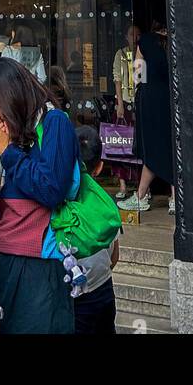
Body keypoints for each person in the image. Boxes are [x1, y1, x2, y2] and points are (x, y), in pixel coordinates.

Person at [0, 55, 80, 335]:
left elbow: (51, 190)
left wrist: (7, 152)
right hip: (0, 255)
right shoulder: (12, 133)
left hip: (38, 264)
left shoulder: (55, 123)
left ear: (10, 96)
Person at [72, 126, 120, 335]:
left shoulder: (60, 196)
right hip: (102, 288)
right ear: (99, 167)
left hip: (72, 293)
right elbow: (115, 255)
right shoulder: (105, 203)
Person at [124, 19, 173, 213]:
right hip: (171, 98)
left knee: (152, 146)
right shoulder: (173, 41)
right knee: (172, 145)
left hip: (150, 100)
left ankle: (140, 196)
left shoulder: (145, 42)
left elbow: (138, 74)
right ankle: (175, 199)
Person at [112, 22, 141, 202]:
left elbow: (141, 79)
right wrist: (120, 103)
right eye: (131, 35)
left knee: (137, 146)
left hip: (137, 103)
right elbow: (117, 78)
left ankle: (141, 187)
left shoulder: (140, 55)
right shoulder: (120, 54)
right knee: (119, 145)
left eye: (137, 35)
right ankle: (122, 184)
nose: (134, 38)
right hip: (124, 103)